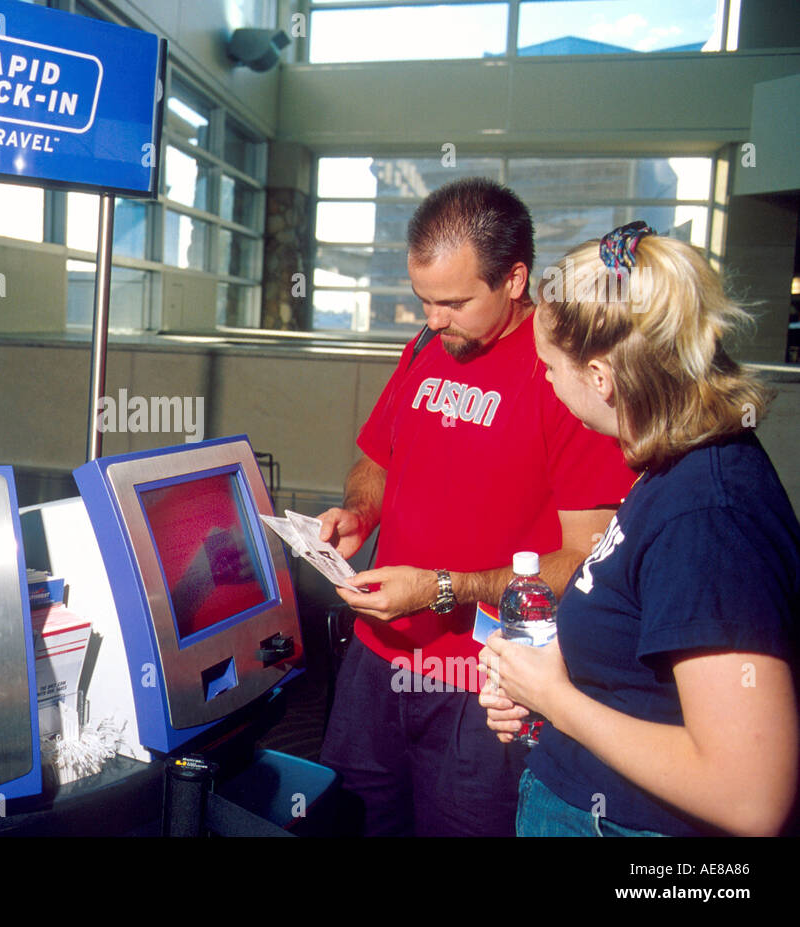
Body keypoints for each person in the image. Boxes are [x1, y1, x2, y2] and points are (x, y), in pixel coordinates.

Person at [316, 178, 637, 837]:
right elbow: (378, 459)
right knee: (344, 821)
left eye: (454, 302)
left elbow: (583, 562)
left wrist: (441, 589)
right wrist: (357, 513)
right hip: (373, 668)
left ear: (515, 278)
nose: (434, 319)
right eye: (424, 300)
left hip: (485, 685)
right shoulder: (427, 347)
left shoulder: (565, 378)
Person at [479, 223, 799, 837]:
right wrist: (541, 688)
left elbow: (749, 795)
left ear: (601, 377)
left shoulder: (709, 515)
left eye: (549, 366)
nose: (544, 379)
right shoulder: (671, 467)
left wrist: (558, 701)